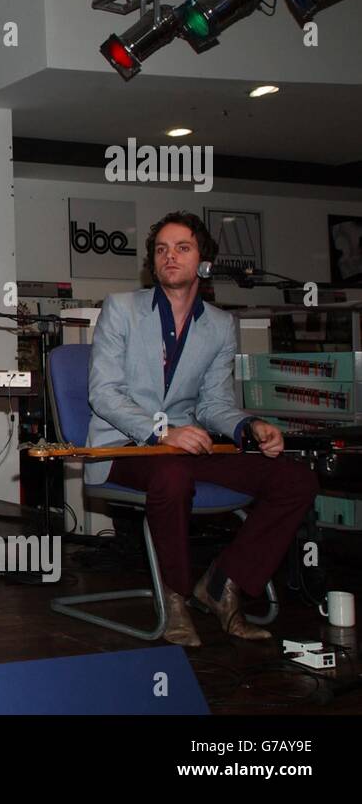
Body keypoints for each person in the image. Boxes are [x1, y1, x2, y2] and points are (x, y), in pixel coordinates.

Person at [86, 210, 317, 646]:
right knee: (171, 475)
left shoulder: (220, 325)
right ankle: (175, 597)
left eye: (182, 248)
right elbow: (104, 394)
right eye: (161, 249)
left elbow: (214, 404)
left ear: (203, 263)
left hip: (186, 448)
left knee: (295, 479)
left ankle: (221, 584)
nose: (169, 256)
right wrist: (161, 432)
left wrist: (250, 425)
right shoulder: (121, 309)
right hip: (124, 449)